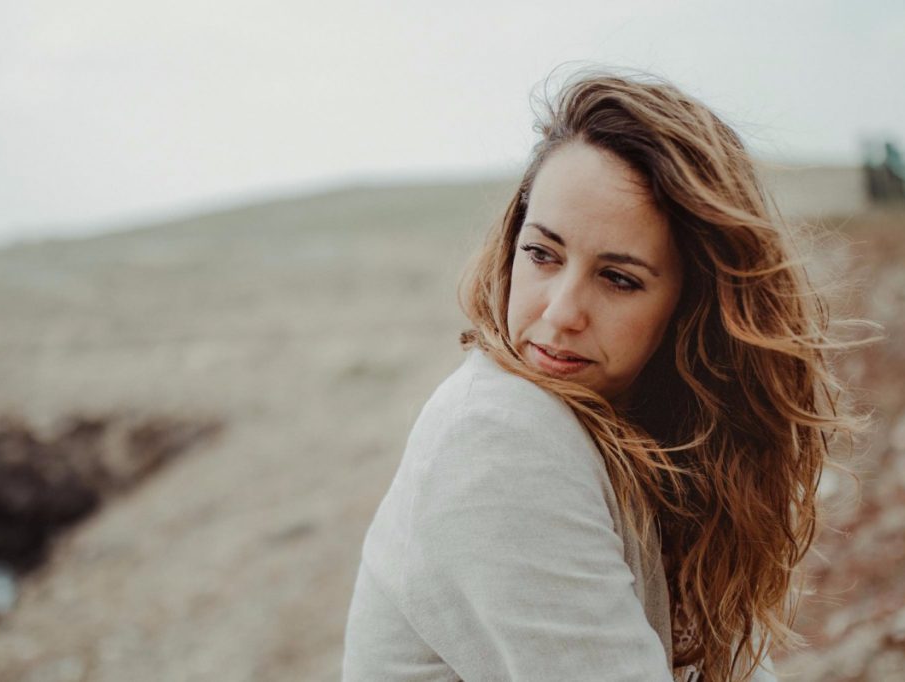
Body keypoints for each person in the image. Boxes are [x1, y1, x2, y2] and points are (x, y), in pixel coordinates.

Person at [343, 68, 860, 681]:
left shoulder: (640, 433)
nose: (559, 314)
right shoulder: (497, 433)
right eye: (542, 254)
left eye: (618, 278)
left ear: (693, 304)